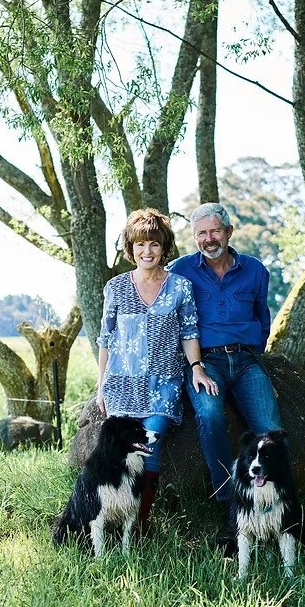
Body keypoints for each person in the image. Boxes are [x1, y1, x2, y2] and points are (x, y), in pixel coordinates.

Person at [96, 209, 218, 538]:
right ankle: (112, 522)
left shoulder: (180, 287)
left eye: (153, 244)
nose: (147, 251)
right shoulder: (116, 288)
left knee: (149, 451)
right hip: (122, 386)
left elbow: (190, 333)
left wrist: (196, 369)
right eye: (140, 244)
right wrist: (101, 386)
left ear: (164, 248)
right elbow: (106, 338)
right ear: (130, 248)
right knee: (122, 458)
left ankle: (139, 526)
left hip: (163, 386)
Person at [169, 202, 283, 548]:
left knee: (270, 427)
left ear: (229, 232)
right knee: (210, 415)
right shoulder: (180, 270)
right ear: (194, 238)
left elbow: (262, 316)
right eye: (201, 233)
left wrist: (254, 349)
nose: (208, 238)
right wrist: (192, 363)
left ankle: (275, 507)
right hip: (205, 362)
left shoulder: (255, 270)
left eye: (215, 231)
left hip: (246, 360)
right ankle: (230, 506)